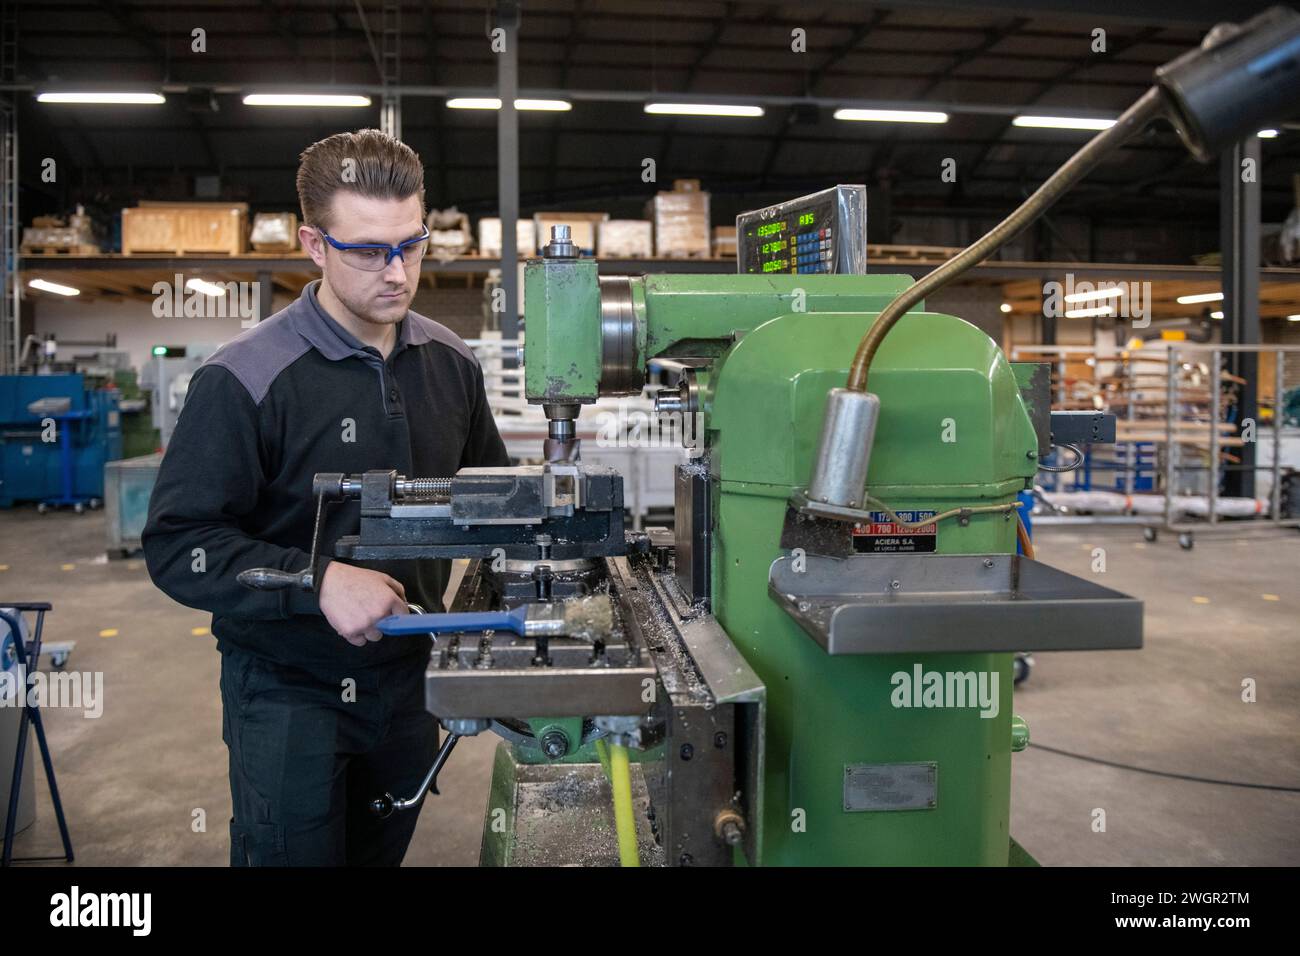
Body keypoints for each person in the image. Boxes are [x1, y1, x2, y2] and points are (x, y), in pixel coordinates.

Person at [143, 129, 508, 865]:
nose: (397, 271)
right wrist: (318, 582)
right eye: (368, 251)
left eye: (412, 244)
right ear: (314, 245)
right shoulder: (244, 378)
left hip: (408, 683)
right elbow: (180, 544)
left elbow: (490, 501)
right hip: (287, 689)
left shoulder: (451, 364)